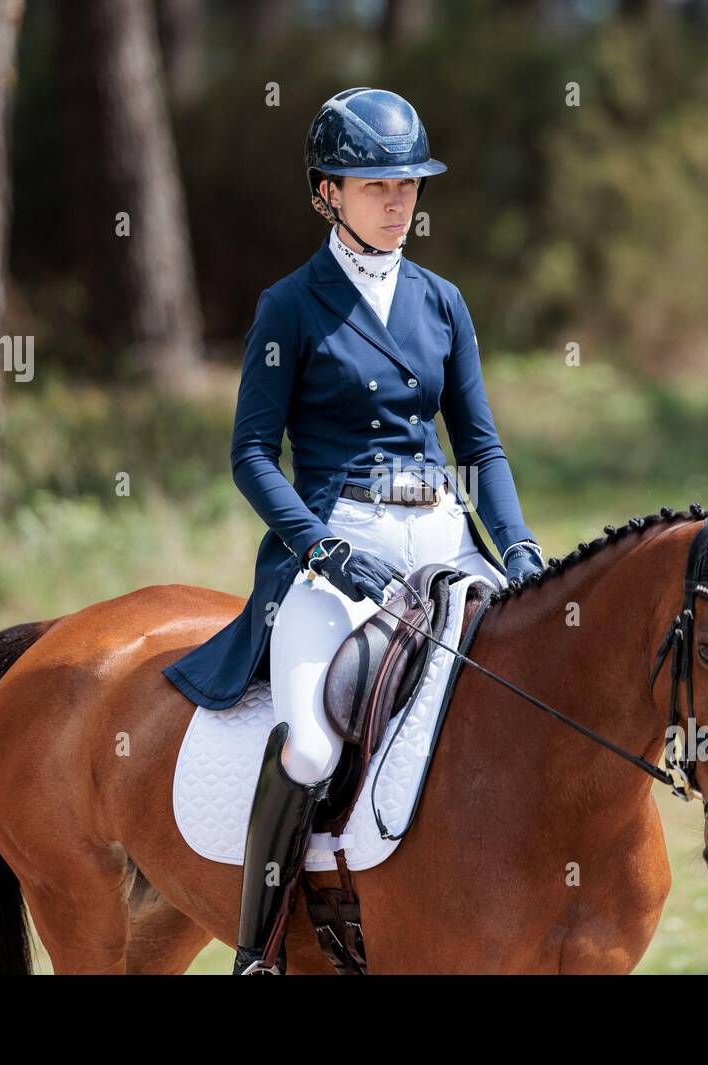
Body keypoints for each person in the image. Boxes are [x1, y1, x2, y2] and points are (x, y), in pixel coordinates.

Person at [162, 87, 544, 974]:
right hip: (337, 547)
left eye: (409, 183)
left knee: (516, 700)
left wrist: (518, 545)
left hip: (445, 539)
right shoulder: (289, 307)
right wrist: (319, 548)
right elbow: (252, 454)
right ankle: (259, 947)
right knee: (307, 740)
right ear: (326, 191)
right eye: (377, 185)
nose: (399, 200)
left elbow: (479, 444)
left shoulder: (442, 301)